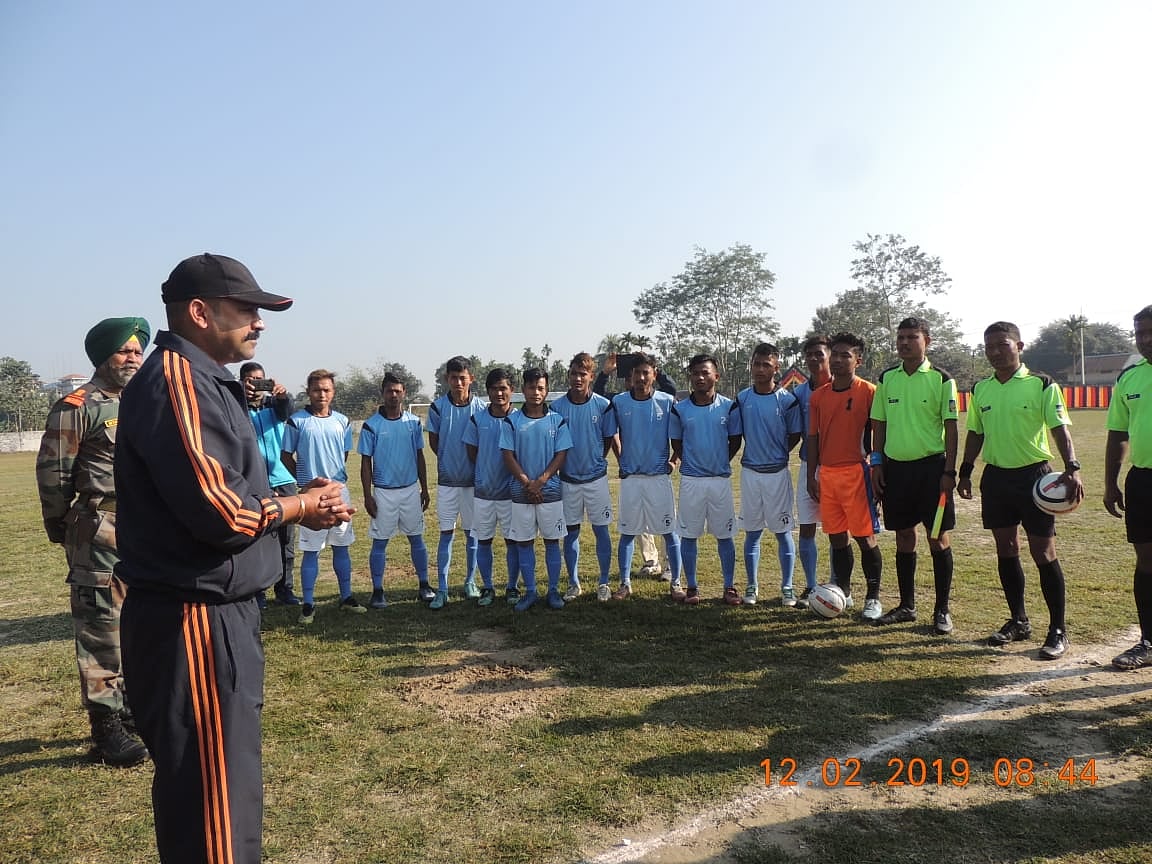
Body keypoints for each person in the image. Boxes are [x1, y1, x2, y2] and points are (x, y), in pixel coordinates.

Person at [116, 253, 352, 864]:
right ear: (199, 313)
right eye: (247, 309)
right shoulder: (176, 381)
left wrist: (293, 503)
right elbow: (225, 514)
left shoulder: (203, 379)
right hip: (193, 618)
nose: (260, 323)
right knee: (213, 799)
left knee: (219, 788)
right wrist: (299, 506)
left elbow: (230, 493)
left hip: (216, 612)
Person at [36, 316, 151, 767]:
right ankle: (106, 730)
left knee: (139, 625)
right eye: (124, 351)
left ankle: (133, 710)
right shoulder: (77, 406)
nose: (133, 358)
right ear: (103, 356)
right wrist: (63, 525)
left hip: (144, 530)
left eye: (138, 351)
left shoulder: (145, 401)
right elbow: (54, 472)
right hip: (99, 527)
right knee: (102, 628)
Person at [958, 321, 1083, 660]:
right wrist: (965, 472)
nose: (995, 352)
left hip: (1034, 477)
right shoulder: (981, 388)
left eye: (1002, 344)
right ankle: (1019, 620)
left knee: (1043, 552)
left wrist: (1072, 466)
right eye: (989, 347)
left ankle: (1058, 629)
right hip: (996, 478)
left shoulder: (1042, 384)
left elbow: (1060, 429)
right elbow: (976, 433)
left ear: (1019, 345)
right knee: (1006, 548)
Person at [869, 317, 959, 634]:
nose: (905, 342)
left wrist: (950, 471)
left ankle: (942, 610)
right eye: (901, 337)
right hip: (896, 470)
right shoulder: (887, 379)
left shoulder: (941, 379)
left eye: (912, 337)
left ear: (927, 341)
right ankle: (907, 606)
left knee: (937, 537)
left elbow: (951, 427)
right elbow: (878, 424)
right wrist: (876, 463)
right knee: (904, 536)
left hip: (932, 470)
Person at [806, 332, 883, 620]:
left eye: (845, 355)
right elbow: (812, 437)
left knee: (865, 538)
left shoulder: (869, 392)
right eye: (834, 355)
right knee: (837, 538)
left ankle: (873, 598)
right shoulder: (818, 396)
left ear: (858, 361)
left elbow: (878, 435)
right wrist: (811, 475)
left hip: (857, 473)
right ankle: (844, 591)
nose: (837, 360)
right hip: (827, 474)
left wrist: (876, 469)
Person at [282, 368, 365, 622]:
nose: (322, 394)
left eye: (326, 390)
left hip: (339, 492)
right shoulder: (297, 421)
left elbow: (343, 454)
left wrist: (334, 481)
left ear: (333, 392)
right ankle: (308, 603)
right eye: (317, 389)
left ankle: (346, 597)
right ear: (308, 392)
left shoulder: (342, 421)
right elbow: (286, 456)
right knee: (311, 550)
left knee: (342, 547)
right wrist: (305, 485)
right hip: (311, 496)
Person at [595, 351, 678, 582]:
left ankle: (672, 570)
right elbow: (597, 398)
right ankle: (642, 568)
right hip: (632, 476)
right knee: (631, 529)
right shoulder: (619, 401)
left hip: (658, 476)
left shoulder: (665, 399)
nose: (640, 377)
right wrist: (604, 373)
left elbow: (672, 397)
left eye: (645, 372)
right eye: (636, 372)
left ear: (653, 374)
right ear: (629, 374)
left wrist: (673, 460)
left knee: (667, 527)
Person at [734, 343, 803, 606]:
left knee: (782, 532)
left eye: (766, 364)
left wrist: (778, 454)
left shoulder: (787, 400)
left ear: (777, 367)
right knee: (752, 533)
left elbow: (795, 434)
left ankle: (787, 586)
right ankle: (752, 586)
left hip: (777, 475)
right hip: (751, 474)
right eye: (756, 364)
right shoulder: (742, 398)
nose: (760, 369)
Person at [671, 355, 742, 604]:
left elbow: (735, 440)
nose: (700, 377)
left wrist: (721, 460)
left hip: (720, 480)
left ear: (716, 376)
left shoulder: (729, 406)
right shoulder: (680, 409)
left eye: (705, 372)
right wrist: (691, 461)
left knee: (725, 535)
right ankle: (692, 587)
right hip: (691, 480)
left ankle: (729, 587)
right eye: (695, 373)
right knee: (689, 535)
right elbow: (676, 442)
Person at [499, 368, 573, 610]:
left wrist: (540, 481)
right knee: (523, 543)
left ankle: (553, 591)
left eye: (540, 388)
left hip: (549, 491)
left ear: (547, 391)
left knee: (552, 542)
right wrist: (526, 483)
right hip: (521, 493)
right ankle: (530, 591)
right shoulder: (512, 421)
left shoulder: (557, 420)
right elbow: (507, 455)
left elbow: (561, 454)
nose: (536, 392)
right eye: (531, 387)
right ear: (523, 390)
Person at [358, 372, 432, 608]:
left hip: (410, 490)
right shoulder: (372, 425)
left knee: (416, 538)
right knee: (379, 542)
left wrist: (424, 488)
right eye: (389, 391)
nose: (393, 395)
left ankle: (424, 585)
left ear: (404, 393)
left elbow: (420, 455)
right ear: (383, 393)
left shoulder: (413, 423)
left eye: (397, 391)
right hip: (383, 492)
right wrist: (368, 495)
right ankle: (378, 591)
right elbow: (365, 463)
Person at [1106, 305, 1152, 670]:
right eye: (1140, 334)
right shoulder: (1129, 378)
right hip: (1143, 479)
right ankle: (1148, 642)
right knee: (1146, 561)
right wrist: (1110, 482)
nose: (1146, 340)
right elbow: (1118, 433)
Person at [551, 352, 618, 600]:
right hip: (568, 480)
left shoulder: (603, 405)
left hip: (596, 480)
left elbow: (608, 438)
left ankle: (603, 582)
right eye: (574, 373)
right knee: (570, 533)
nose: (578, 378)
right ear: (569, 375)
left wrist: (597, 461)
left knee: (602, 531)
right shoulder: (557, 408)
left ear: (591, 376)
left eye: (583, 374)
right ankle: (574, 582)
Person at [239, 361, 300, 607]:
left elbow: (288, 409)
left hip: (283, 478)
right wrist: (239, 395)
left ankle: (285, 589)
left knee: (286, 538)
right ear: (242, 381)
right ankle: (258, 591)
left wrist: (283, 395)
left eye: (261, 380)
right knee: (258, 538)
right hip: (252, 481)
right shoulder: (236, 407)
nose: (256, 385)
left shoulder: (274, 406)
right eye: (251, 380)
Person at [427, 356, 485, 608]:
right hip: (448, 482)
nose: (458, 382)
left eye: (463, 377)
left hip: (473, 483)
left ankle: (470, 581)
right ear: (446, 379)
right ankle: (442, 587)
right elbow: (434, 441)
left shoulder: (482, 408)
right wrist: (449, 460)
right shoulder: (438, 407)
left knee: (472, 534)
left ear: (471, 378)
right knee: (446, 534)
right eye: (453, 377)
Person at [463, 368, 521, 605]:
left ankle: (512, 587)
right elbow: (472, 451)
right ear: (488, 392)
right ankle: (487, 587)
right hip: (484, 493)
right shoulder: (477, 419)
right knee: (484, 541)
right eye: (495, 389)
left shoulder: (518, 419)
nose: (499, 393)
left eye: (503, 388)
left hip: (511, 495)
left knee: (513, 542)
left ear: (511, 391)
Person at [793, 335, 832, 602]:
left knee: (837, 530)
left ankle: (836, 584)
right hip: (808, 466)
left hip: (838, 468)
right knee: (807, 527)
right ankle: (809, 585)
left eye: (819, 354)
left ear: (829, 355)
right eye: (809, 355)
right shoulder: (799, 393)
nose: (814, 359)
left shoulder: (845, 387)